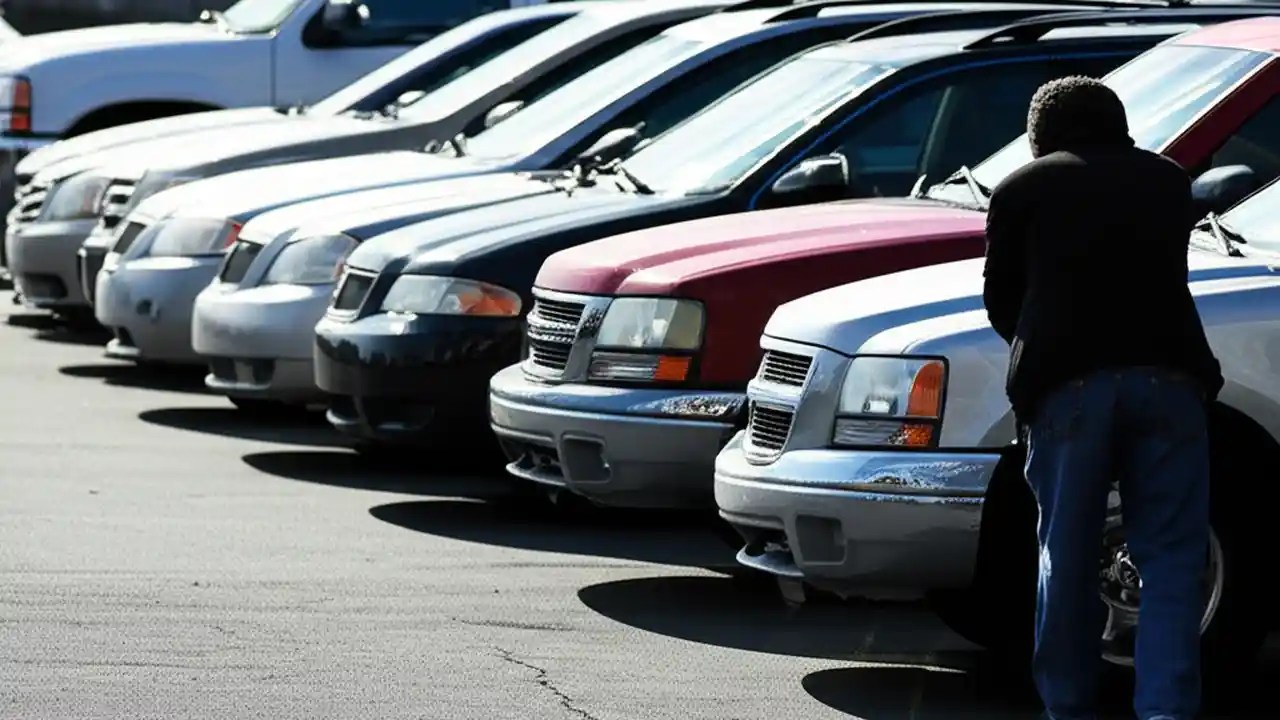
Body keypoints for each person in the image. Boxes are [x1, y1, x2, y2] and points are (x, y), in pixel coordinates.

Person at [981, 76, 1224, 720]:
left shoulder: (1022, 190)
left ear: (1040, 135)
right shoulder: (1168, 181)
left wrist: (1040, 345)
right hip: (1171, 378)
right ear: (1120, 125)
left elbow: (1002, 300)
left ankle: (1068, 705)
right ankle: (1167, 708)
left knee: (1067, 548)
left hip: (1069, 388)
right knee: (1173, 556)